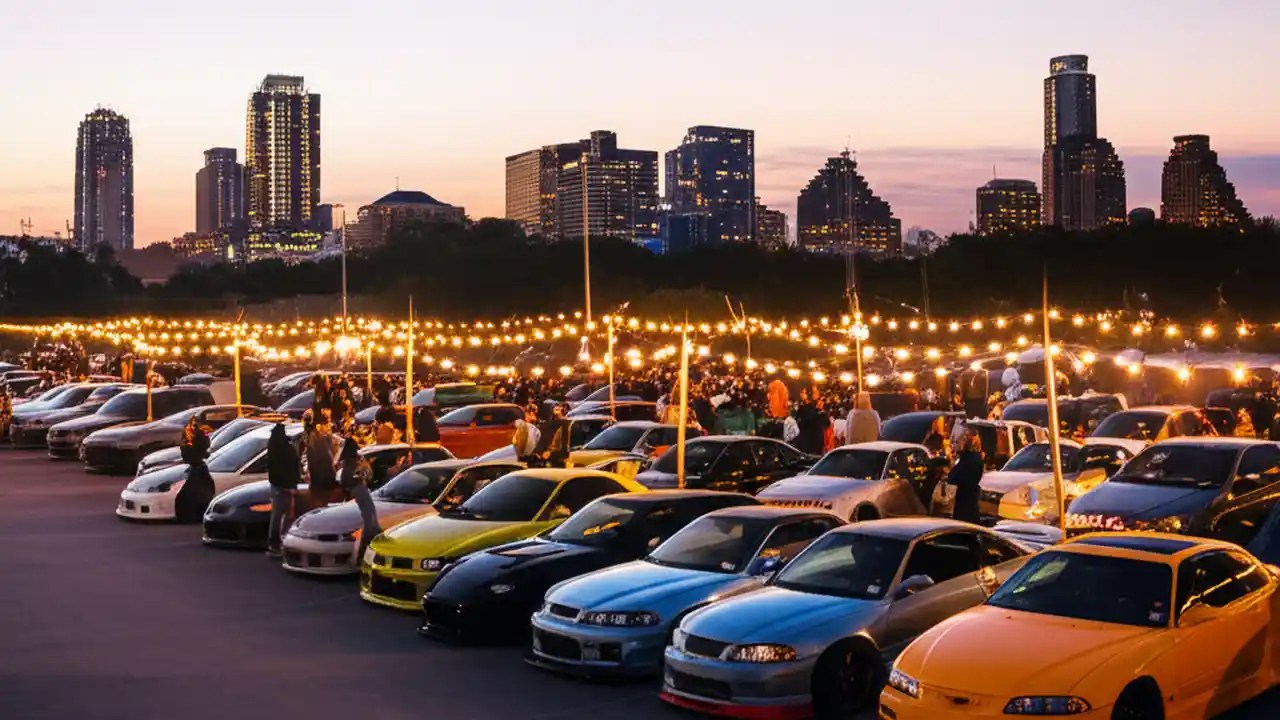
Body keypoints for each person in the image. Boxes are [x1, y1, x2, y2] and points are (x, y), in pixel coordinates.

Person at [338, 437, 382, 563]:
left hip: (355, 492)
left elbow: (345, 480)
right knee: (369, 519)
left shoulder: (346, 464)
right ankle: (364, 551)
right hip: (360, 491)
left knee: (368, 518)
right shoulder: (356, 463)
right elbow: (367, 475)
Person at [265, 423, 301, 558]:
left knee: (277, 515)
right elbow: (294, 467)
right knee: (288, 514)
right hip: (287, 485)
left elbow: (272, 469)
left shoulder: (273, 449)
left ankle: (274, 542)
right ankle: (284, 540)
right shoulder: (289, 449)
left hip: (277, 486)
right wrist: (293, 485)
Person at [174, 418, 214, 523]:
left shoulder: (193, 434)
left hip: (193, 465)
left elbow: (202, 447)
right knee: (197, 492)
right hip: (195, 465)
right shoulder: (192, 435)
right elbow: (203, 446)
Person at [305, 414, 342, 508]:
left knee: (318, 507)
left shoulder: (311, 437)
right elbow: (328, 458)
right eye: (328, 423)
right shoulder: (320, 437)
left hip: (317, 482)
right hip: (325, 481)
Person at [948, 431, 985, 524]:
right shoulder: (976, 457)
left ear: (963, 443)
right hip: (972, 498)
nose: (954, 445)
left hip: (963, 500)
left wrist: (952, 468)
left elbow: (953, 478)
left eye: (957, 442)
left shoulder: (965, 459)